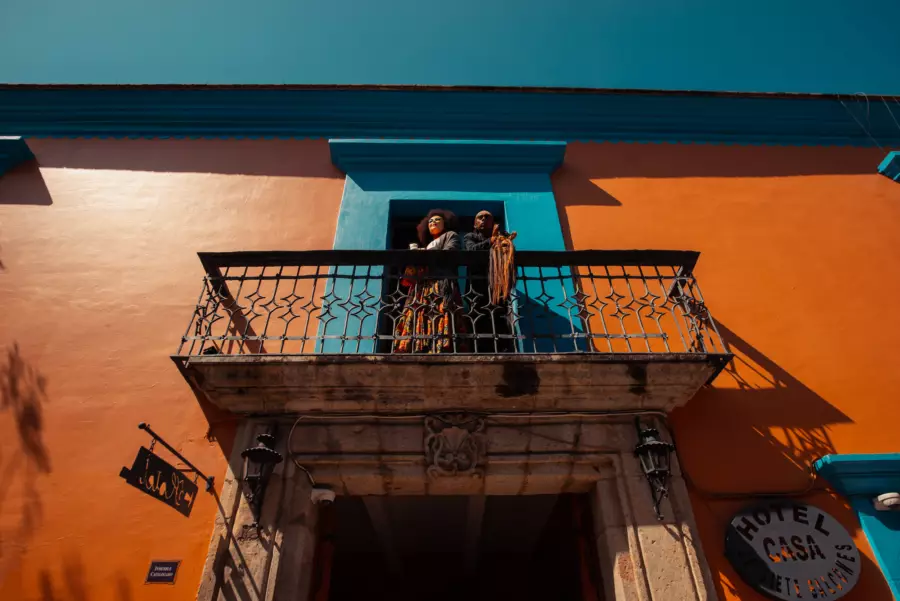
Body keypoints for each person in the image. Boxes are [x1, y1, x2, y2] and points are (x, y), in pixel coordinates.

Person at [393, 209, 468, 353]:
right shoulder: (428, 244)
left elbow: (449, 254)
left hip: (440, 284)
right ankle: (420, 345)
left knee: (439, 313)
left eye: (437, 220)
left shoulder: (450, 236)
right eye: (430, 221)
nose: (433, 222)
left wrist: (424, 255)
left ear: (445, 223)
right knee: (422, 315)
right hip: (423, 287)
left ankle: (440, 345)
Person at [464, 210, 516, 353]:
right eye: (480, 217)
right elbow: (471, 250)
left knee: (500, 315)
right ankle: (478, 349)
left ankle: (504, 348)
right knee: (478, 316)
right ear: (475, 223)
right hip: (477, 287)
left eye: (487, 217)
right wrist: (490, 241)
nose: (484, 219)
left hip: (498, 285)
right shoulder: (470, 236)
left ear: (493, 223)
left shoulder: (502, 237)